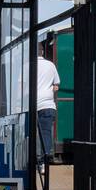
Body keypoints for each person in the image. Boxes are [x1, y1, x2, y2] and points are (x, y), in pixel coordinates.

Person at [35, 39, 60, 167]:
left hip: (32, 105)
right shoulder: (51, 65)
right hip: (48, 105)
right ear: (43, 52)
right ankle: (43, 163)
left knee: (34, 136)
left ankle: (36, 161)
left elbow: (21, 87)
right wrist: (49, 90)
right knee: (46, 133)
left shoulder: (28, 65)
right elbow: (56, 86)